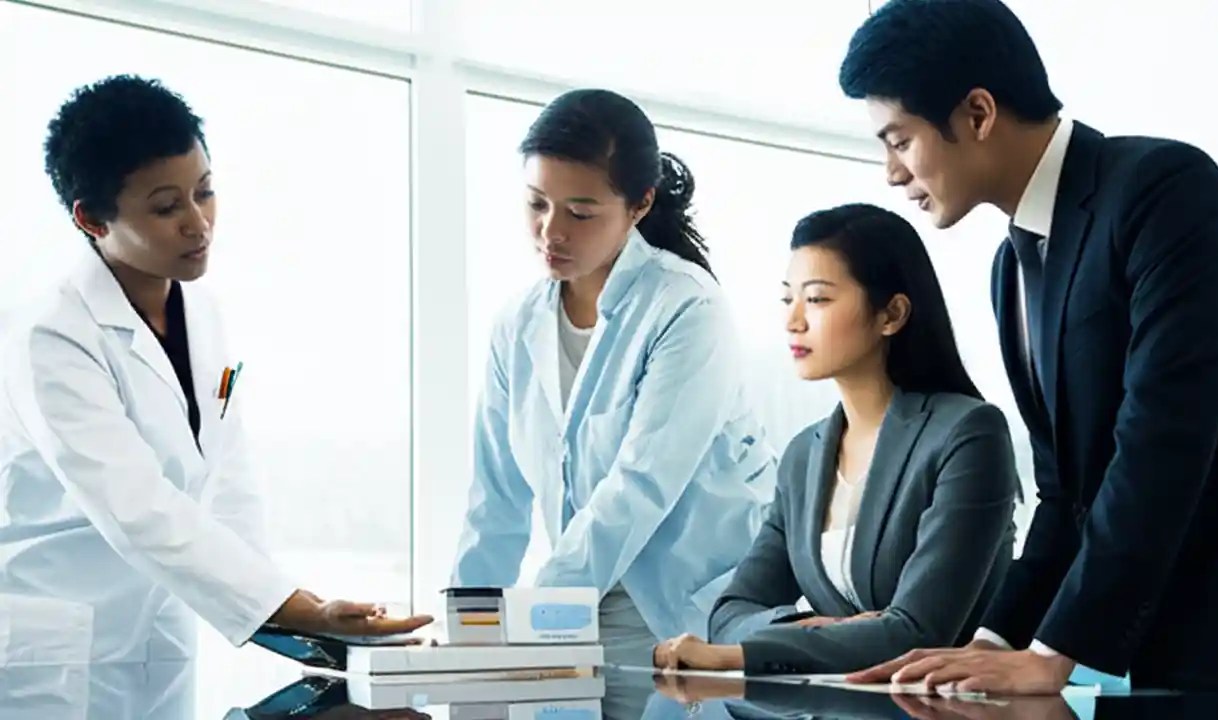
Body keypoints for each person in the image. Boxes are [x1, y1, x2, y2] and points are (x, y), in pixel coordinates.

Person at [838, 0, 1218, 693]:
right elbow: (1064, 491)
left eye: (899, 141)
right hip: (1164, 654)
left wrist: (1054, 653)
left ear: (977, 114)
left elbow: (1162, 438)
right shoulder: (1010, 269)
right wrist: (990, 643)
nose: (891, 173)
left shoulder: (1164, 190)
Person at [0, 75, 430, 663]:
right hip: (55, 646)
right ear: (93, 220)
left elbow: (225, 484)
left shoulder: (202, 314)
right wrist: (295, 609)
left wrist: (305, 624)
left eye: (204, 192)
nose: (198, 223)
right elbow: (134, 505)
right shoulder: (51, 335)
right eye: (166, 207)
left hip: (162, 640)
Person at [452, 88, 776, 667]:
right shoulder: (518, 324)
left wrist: (536, 615)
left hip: (683, 615)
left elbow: (640, 484)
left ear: (640, 205)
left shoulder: (686, 308)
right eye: (536, 204)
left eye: (580, 213)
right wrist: (466, 637)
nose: (551, 231)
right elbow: (495, 498)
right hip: (579, 604)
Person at [652, 204, 1018, 675]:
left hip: (946, 704)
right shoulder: (804, 457)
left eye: (818, 299)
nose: (793, 320)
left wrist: (744, 655)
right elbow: (729, 614)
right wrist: (804, 628)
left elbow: (919, 633)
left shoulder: (967, 435)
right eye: (787, 299)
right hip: (836, 703)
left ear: (892, 314)